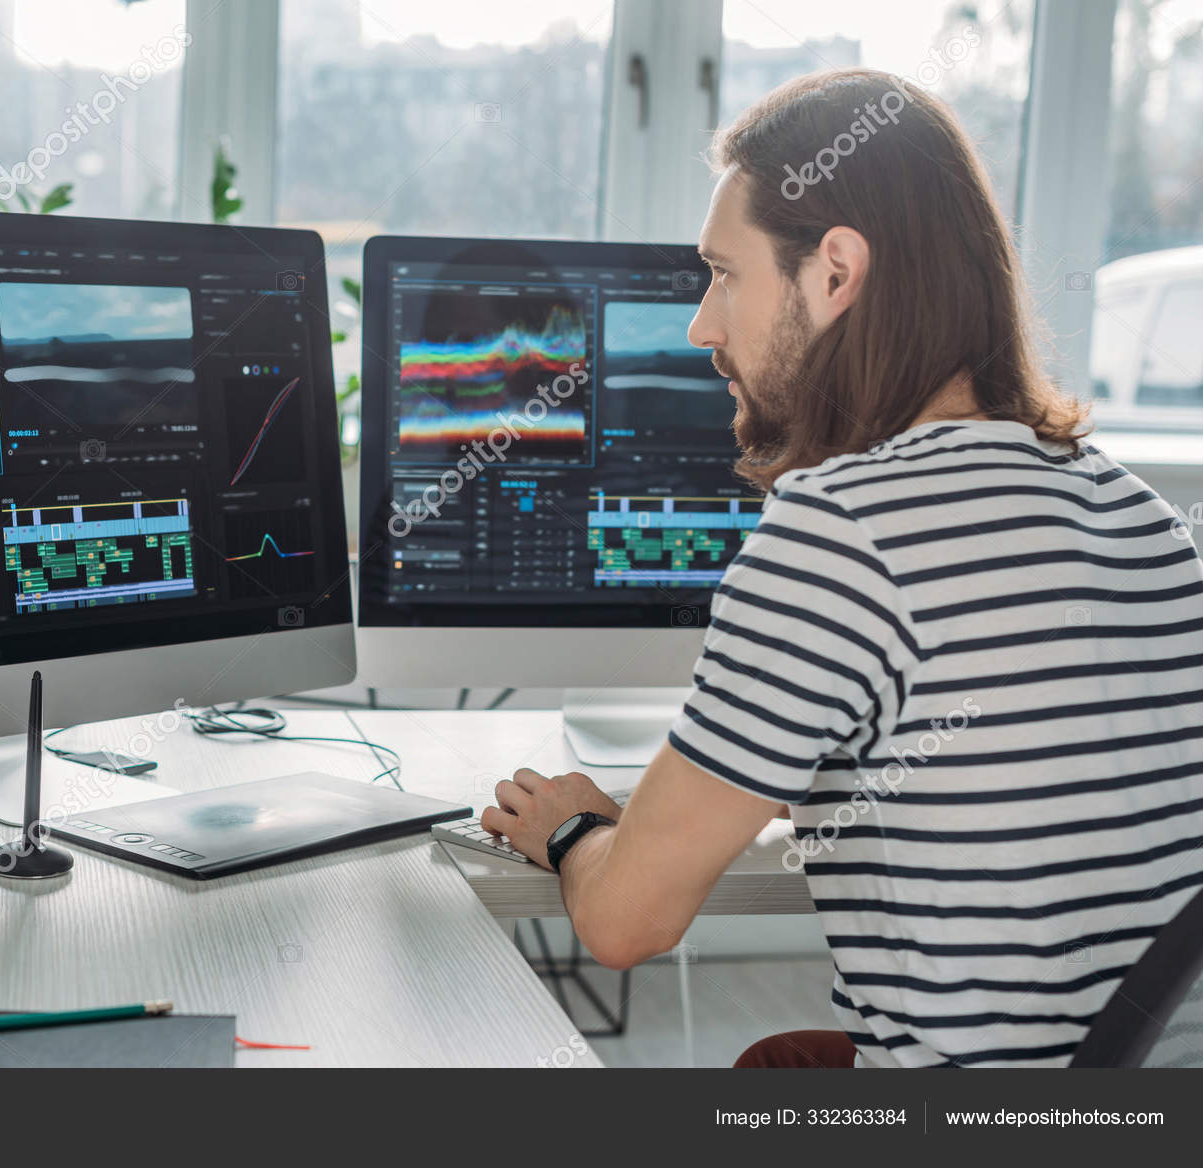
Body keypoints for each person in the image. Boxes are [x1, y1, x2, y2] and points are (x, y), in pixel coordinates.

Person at [480, 69, 1203, 1068]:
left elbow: (623, 923)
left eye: (723, 274)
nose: (702, 326)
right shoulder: (1137, 512)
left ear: (834, 272)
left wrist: (573, 834)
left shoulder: (838, 530)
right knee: (782, 1061)